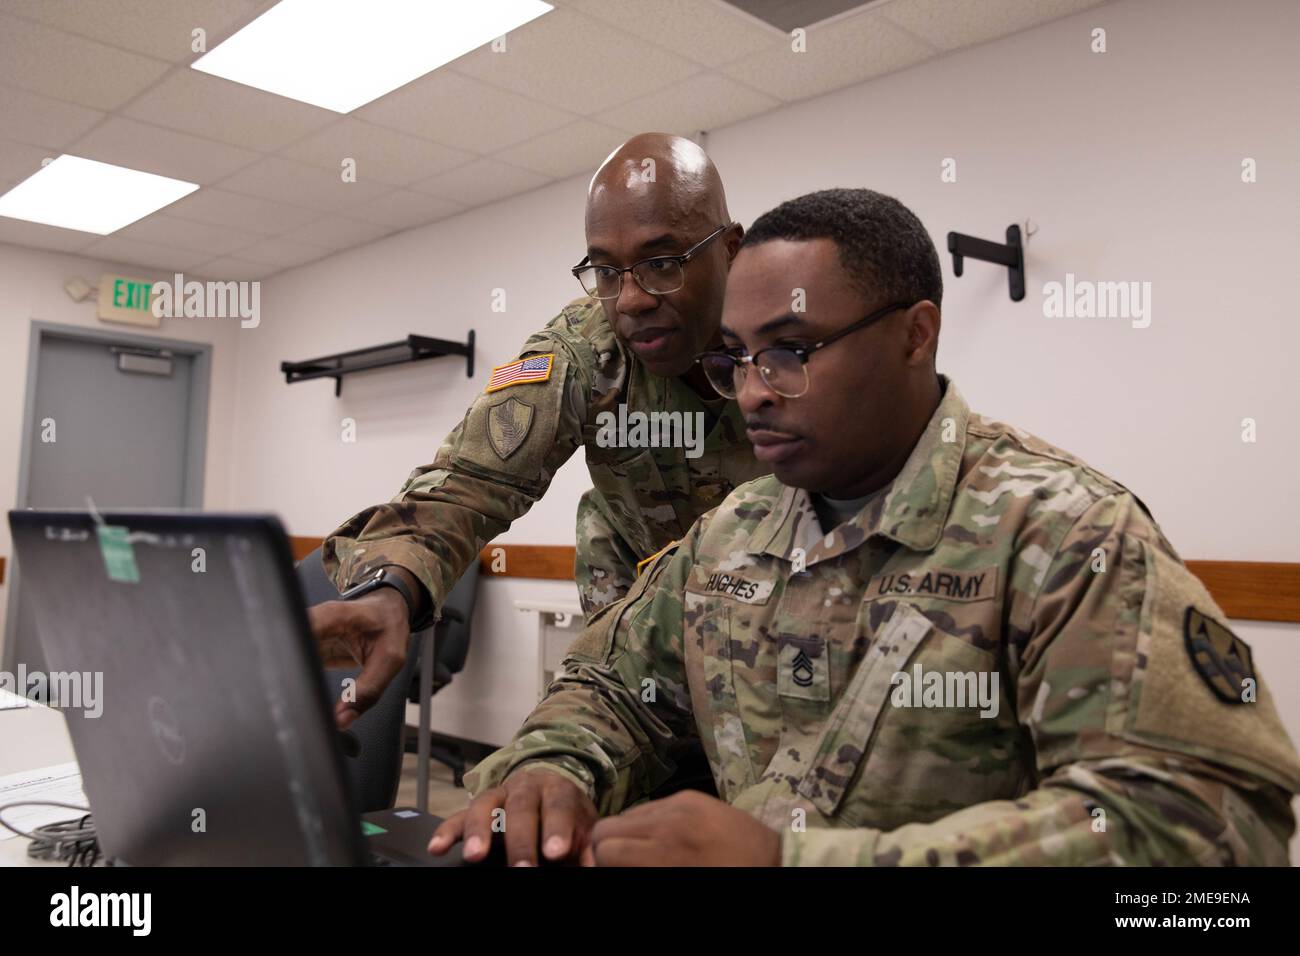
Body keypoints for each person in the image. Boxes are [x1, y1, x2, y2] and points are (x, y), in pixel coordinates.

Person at [431, 188, 1300, 866]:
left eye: (791, 350)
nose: (753, 391)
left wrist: (795, 863)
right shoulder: (732, 535)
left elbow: (1214, 838)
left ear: (916, 335)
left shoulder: (1065, 537)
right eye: (733, 358)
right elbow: (616, 686)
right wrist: (551, 767)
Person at [309, 134, 768, 734]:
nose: (630, 300)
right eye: (605, 271)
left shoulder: (794, 340)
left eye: (662, 264)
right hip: (636, 622)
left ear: (730, 249)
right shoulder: (584, 350)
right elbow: (465, 486)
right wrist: (391, 587)